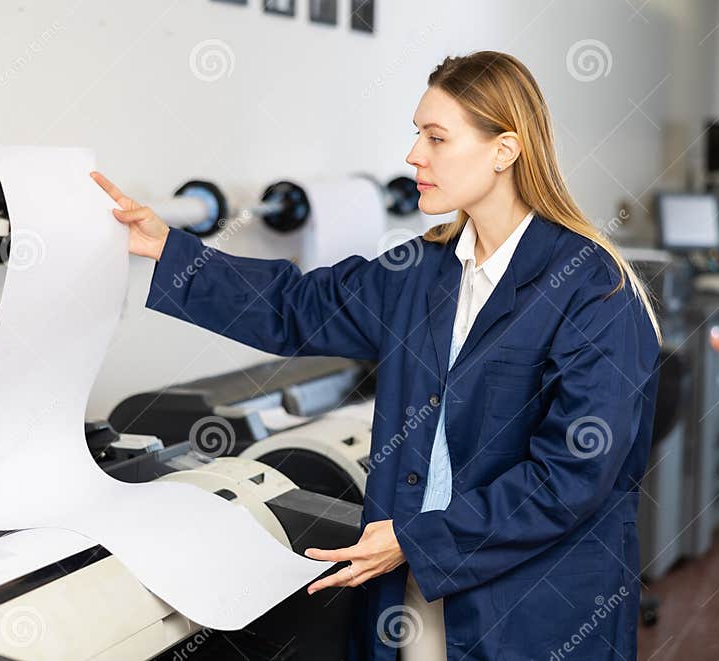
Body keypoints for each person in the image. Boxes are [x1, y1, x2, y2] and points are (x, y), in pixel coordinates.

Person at [92, 50, 662, 661]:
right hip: (416, 595)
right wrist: (166, 249)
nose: (414, 155)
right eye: (417, 134)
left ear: (505, 150)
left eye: (437, 138)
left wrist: (419, 541)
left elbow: (571, 475)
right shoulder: (420, 270)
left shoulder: (592, 287)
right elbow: (296, 306)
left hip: (534, 610)